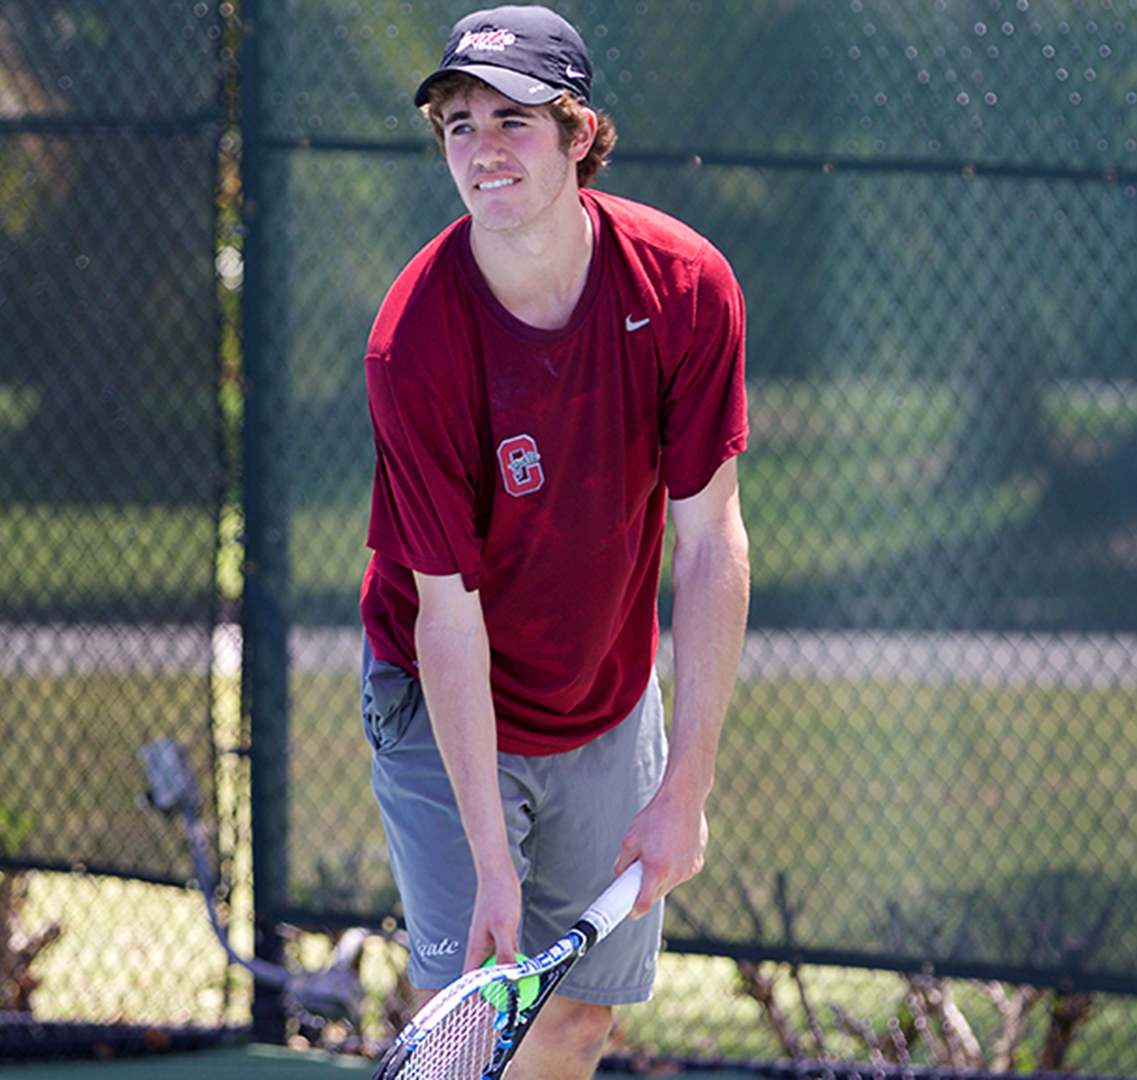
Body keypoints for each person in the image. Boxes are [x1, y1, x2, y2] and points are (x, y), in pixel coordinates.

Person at [360, 5, 750, 1075]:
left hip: (606, 703)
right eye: (458, 125)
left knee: (575, 1023)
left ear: (580, 135)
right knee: (471, 1023)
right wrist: (493, 860)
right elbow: (447, 615)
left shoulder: (684, 289)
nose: (483, 150)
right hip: (445, 695)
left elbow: (711, 543)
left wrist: (687, 791)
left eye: (514, 120)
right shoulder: (414, 344)